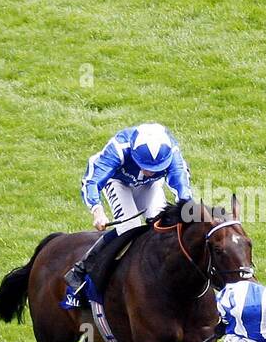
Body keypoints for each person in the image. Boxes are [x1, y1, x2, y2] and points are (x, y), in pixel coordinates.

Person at [65, 123, 193, 289]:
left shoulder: (172, 154)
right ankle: (82, 268)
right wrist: (97, 211)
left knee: (161, 226)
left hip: (150, 185)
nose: (151, 171)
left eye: (156, 168)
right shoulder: (118, 149)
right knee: (129, 226)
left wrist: (189, 214)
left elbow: (182, 188)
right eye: (146, 166)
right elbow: (92, 182)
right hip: (118, 182)